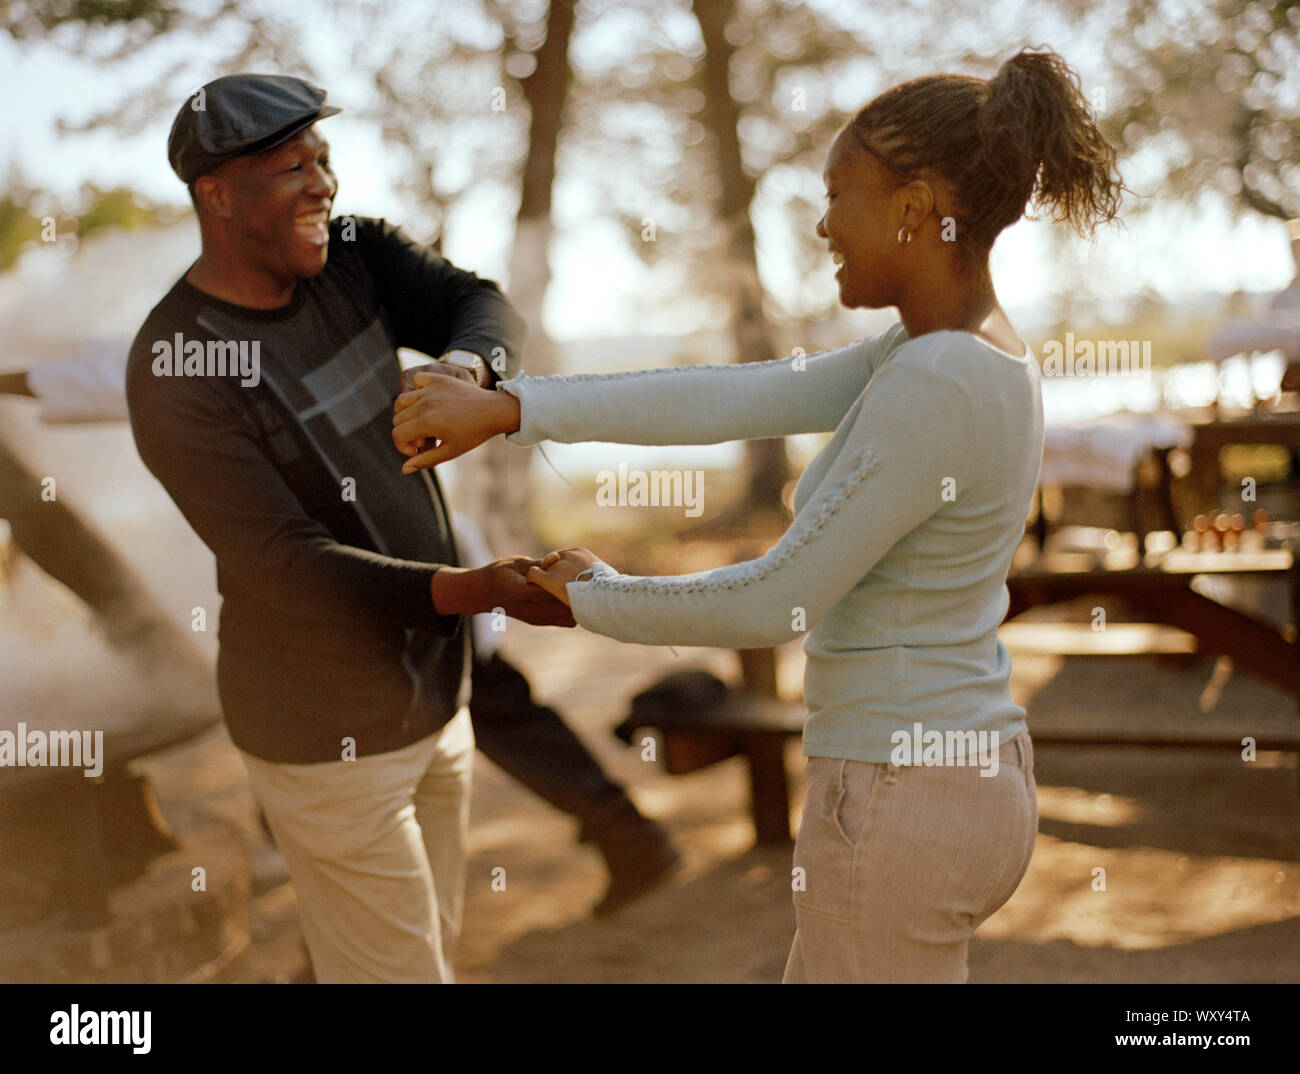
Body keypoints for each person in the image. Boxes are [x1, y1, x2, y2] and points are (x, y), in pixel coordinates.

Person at [392, 47, 1126, 983]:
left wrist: (596, 599)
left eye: (838, 194)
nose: (822, 224)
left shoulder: (941, 376)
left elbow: (779, 600)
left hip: (901, 797)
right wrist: (516, 408)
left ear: (913, 205)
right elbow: (731, 398)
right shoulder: (945, 350)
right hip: (944, 780)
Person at [125, 73, 576, 984]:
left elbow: (482, 303)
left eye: (323, 158)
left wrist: (462, 372)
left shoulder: (355, 253)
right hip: (320, 730)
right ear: (218, 193)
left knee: (414, 951)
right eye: (293, 165)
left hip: (434, 697)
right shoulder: (176, 365)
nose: (323, 183)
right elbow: (281, 565)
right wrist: (473, 591)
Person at [2, 350, 681, 919]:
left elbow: (110, 373)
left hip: (394, 577)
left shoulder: (288, 346)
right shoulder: (266, 345)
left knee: (468, 715)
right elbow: (110, 373)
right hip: (375, 585)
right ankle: (626, 835)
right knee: (450, 718)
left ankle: (626, 836)